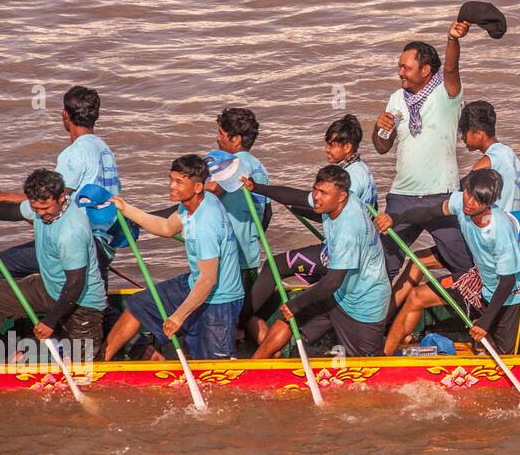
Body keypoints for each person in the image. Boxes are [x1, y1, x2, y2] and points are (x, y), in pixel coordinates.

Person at [237, 114, 379, 343]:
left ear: (348, 147)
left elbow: (304, 199)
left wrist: (259, 189)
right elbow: (325, 211)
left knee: (275, 266)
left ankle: (238, 322)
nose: (327, 149)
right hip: (356, 252)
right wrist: (296, 206)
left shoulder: (349, 179)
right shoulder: (362, 170)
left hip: (343, 255)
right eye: (327, 143)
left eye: (332, 144)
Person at [102, 155, 246, 360]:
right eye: (171, 179)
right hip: (194, 283)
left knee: (213, 372)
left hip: (220, 301)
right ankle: (101, 362)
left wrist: (178, 316)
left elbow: (208, 280)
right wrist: (127, 209)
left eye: (179, 182)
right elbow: (166, 227)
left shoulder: (206, 224)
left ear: (197, 187)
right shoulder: (194, 203)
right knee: (139, 304)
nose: (171, 186)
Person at [375, 168, 520, 355]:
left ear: (489, 203)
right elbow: (429, 212)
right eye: (468, 194)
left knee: (498, 358)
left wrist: (485, 321)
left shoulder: (500, 230)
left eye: (478, 200)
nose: (469, 203)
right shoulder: (460, 201)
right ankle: (384, 356)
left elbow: (508, 282)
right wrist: (396, 218)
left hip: (510, 295)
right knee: (417, 296)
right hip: (479, 281)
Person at [250, 166, 389, 359]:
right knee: (288, 319)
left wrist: (296, 304)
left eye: (323, 193)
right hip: (338, 294)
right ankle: (253, 366)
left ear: (341, 197)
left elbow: (332, 281)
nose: (316, 197)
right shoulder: (332, 201)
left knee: (370, 368)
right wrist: (255, 187)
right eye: (316, 190)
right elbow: (294, 196)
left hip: (362, 304)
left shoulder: (348, 230)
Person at [0, 85, 121, 288]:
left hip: (82, 242)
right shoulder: (104, 149)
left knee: (3, 263)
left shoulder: (75, 153)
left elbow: (50, 200)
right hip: (105, 242)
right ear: (96, 115)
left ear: (65, 115)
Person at [372, 22, 473, 282]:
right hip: (401, 195)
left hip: (440, 195)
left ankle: (481, 318)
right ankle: (373, 320)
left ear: (425, 70)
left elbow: (451, 67)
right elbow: (382, 147)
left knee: (464, 265)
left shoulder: (446, 93)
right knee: (382, 266)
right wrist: (379, 128)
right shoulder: (397, 98)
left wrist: (452, 38)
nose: (399, 72)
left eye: (405, 67)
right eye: (399, 66)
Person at [0, 169, 107, 353]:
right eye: (35, 209)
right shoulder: (40, 203)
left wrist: (50, 321)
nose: (40, 214)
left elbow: (76, 283)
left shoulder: (70, 232)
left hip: (81, 303)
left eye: (45, 209)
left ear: (61, 197)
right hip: (49, 286)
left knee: (82, 363)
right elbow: (10, 212)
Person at [209, 107, 271, 289]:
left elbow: (210, 193)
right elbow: (267, 213)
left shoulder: (231, 166)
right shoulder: (259, 167)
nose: (217, 138)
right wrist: (251, 239)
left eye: (221, 133)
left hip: (230, 259)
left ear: (235, 139)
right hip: (250, 256)